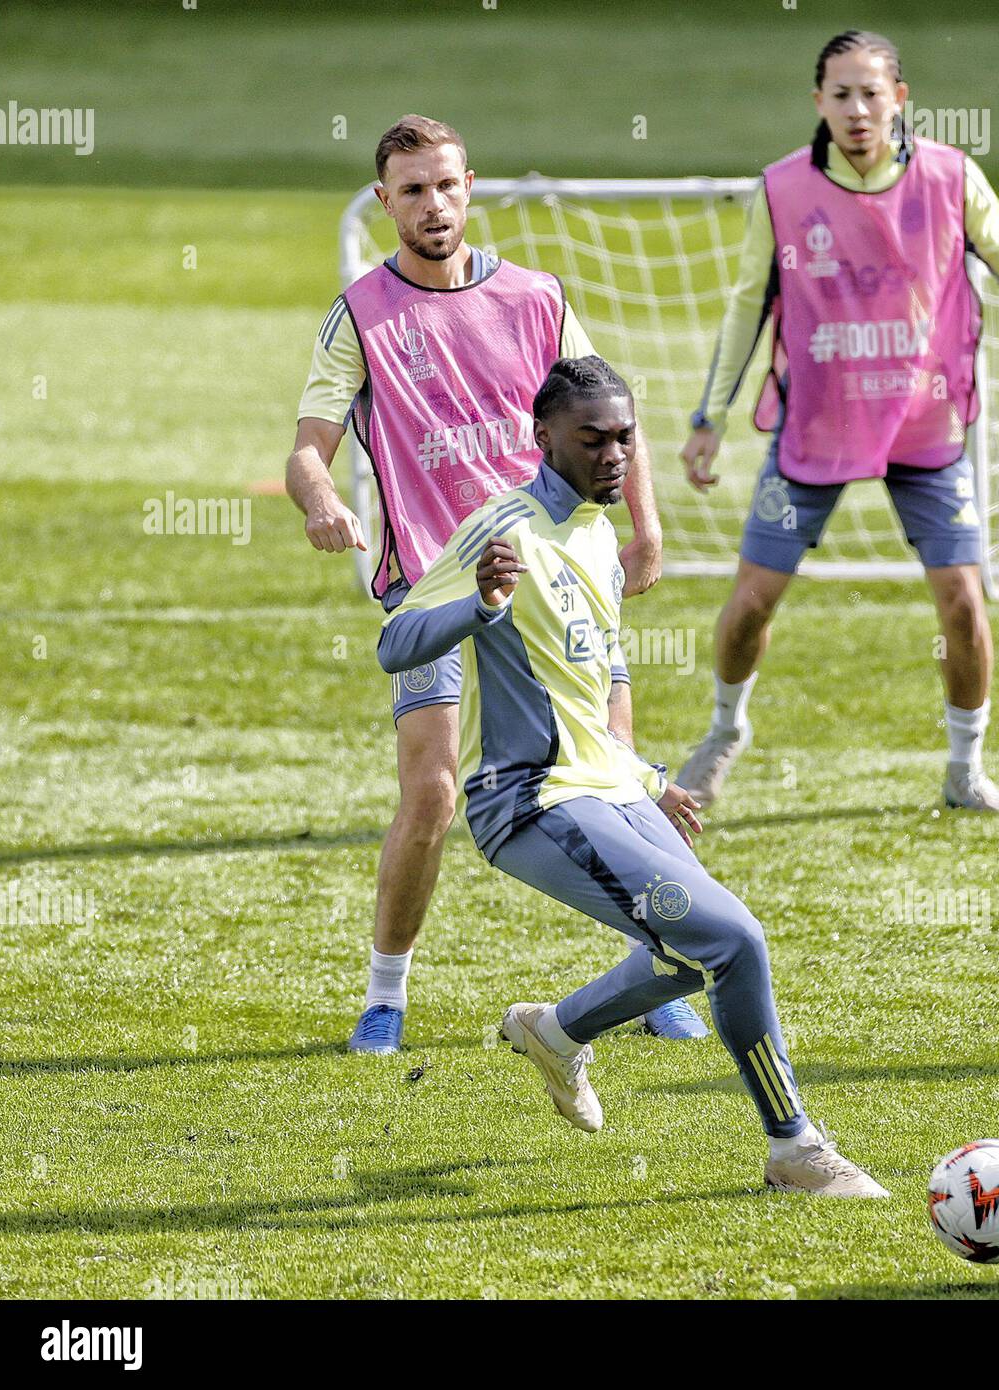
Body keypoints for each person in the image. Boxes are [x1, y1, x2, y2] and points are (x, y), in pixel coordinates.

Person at [377, 356, 888, 1196]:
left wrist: (644, 778)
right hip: (530, 799)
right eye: (593, 439)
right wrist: (480, 606)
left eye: (625, 437)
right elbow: (394, 645)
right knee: (735, 939)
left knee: (690, 957)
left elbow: (590, 675)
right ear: (542, 438)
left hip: (606, 786)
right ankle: (794, 1148)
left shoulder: (595, 534)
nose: (615, 455)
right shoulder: (500, 528)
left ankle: (556, 1031)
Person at [286, 116, 704, 1051]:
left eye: (445, 186)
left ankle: (656, 964)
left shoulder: (537, 298)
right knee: (432, 792)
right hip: (437, 587)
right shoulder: (360, 315)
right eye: (410, 191)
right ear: (385, 201)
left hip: (553, 578)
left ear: (469, 187)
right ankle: (386, 997)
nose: (432, 206)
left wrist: (647, 526)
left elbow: (611, 413)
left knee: (615, 776)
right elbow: (308, 448)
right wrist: (320, 502)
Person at [678, 29, 999, 815]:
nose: (858, 110)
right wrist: (708, 417)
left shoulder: (952, 178)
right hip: (815, 424)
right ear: (818, 102)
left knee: (962, 599)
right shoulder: (784, 189)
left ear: (900, 99)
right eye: (842, 94)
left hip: (925, 426)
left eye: (872, 92)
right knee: (752, 600)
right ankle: (724, 732)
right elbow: (749, 302)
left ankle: (966, 768)